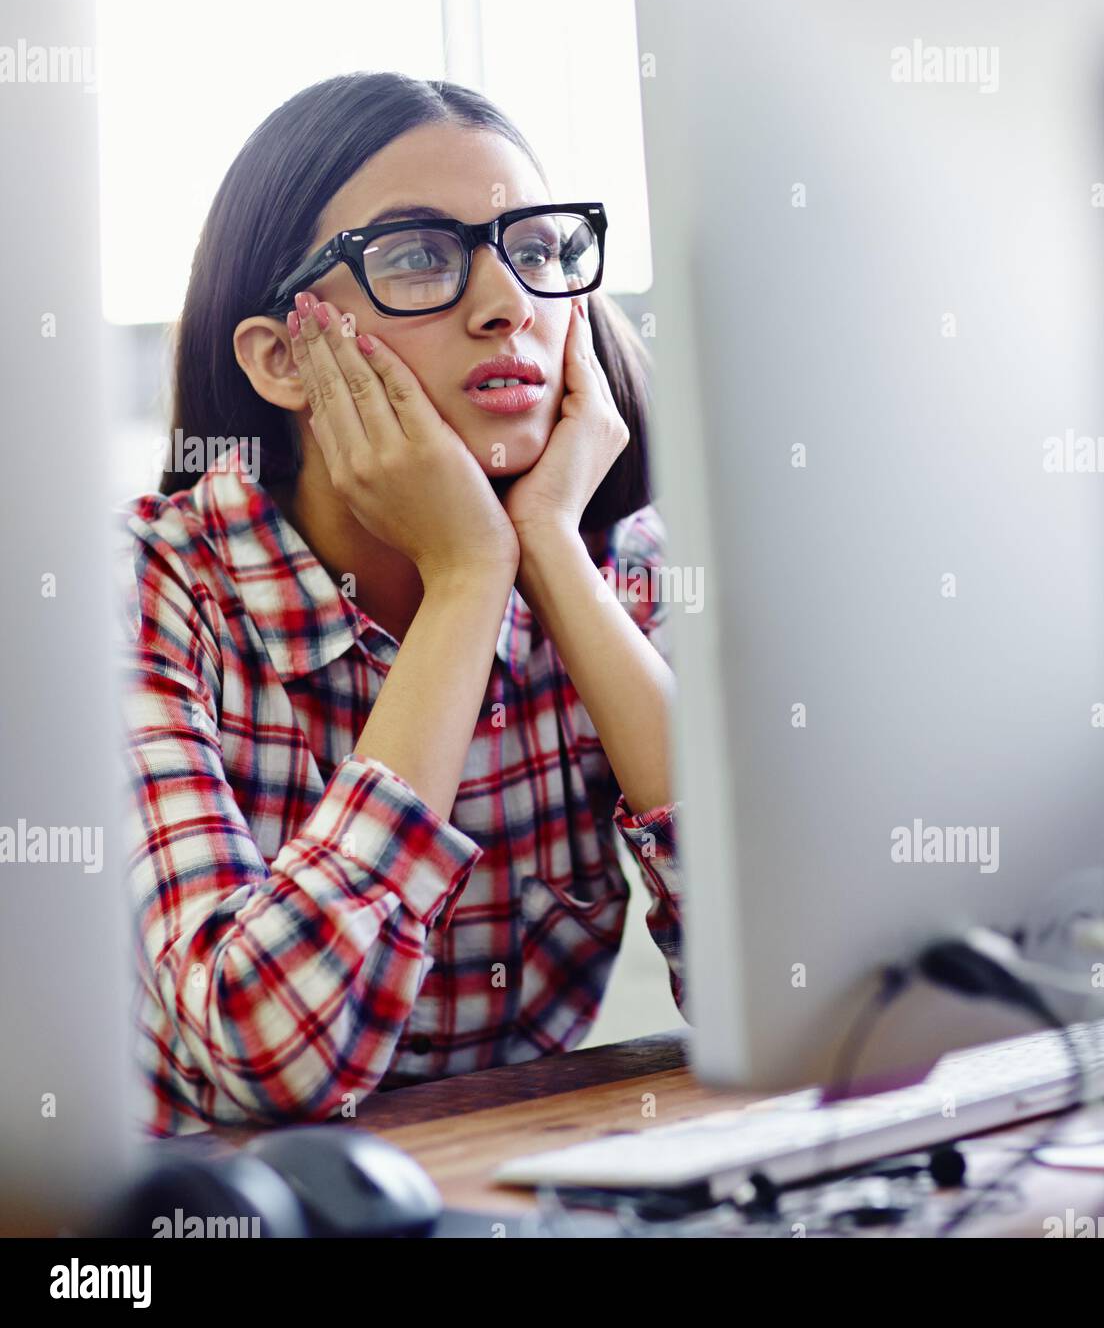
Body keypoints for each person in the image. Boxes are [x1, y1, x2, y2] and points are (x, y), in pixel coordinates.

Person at [115, 73, 683, 1136]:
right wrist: (468, 580)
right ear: (285, 357)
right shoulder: (143, 594)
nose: (510, 301)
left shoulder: (624, 569)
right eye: (421, 253)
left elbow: (798, 992)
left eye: (544, 249)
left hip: (510, 1195)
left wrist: (549, 550)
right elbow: (270, 1068)